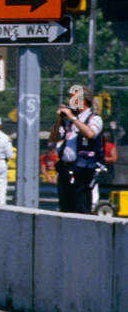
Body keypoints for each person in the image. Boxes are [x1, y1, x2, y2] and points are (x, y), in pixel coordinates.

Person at [48, 83, 104, 214]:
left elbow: (90, 134)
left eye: (72, 98)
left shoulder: (93, 118)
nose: (69, 102)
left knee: (81, 207)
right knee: (65, 207)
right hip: (65, 168)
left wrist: (73, 118)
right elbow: (53, 138)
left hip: (83, 169)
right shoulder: (68, 121)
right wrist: (59, 119)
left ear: (82, 100)